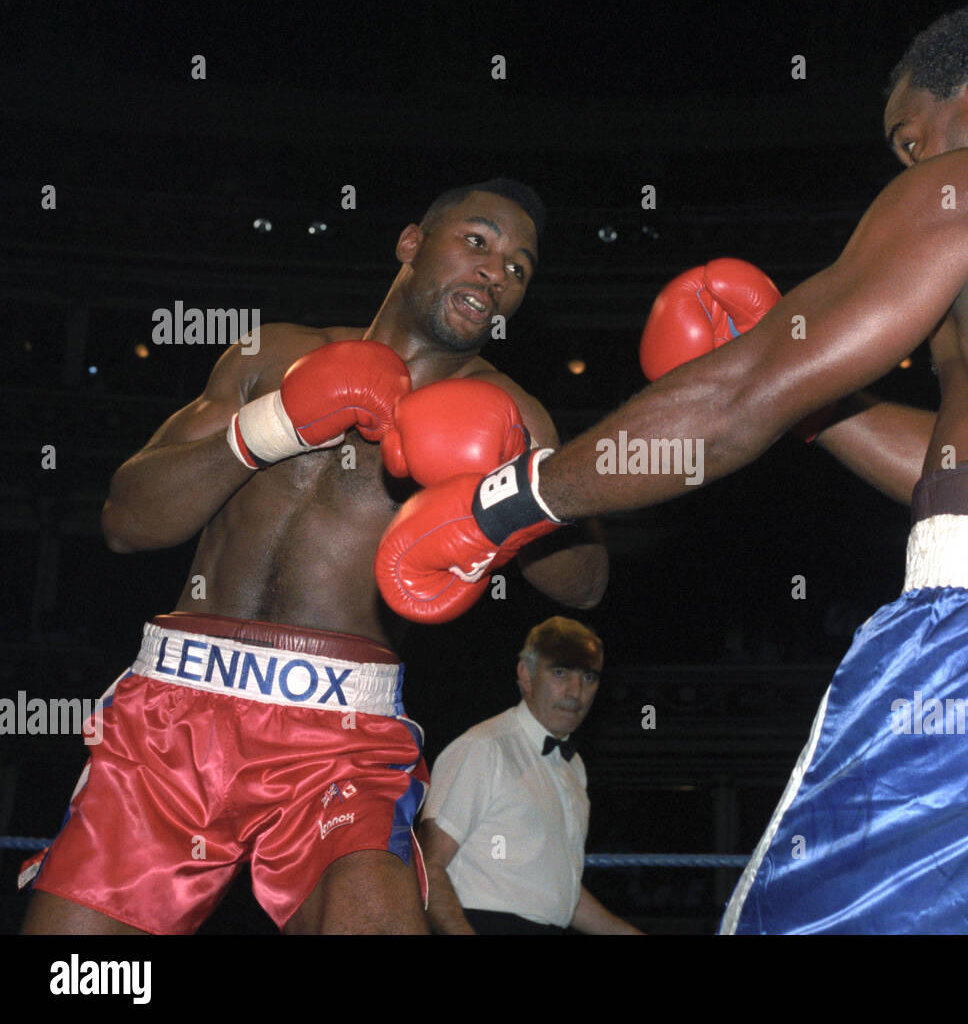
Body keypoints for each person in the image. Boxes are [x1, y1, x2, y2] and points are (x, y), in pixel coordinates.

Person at [375, 8, 968, 934]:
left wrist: (507, 504)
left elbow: (739, 402)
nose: (912, 167)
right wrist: (816, 416)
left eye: (912, 137)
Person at [20, 178, 609, 935]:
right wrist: (270, 427)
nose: (497, 272)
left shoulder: (514, 415)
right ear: (410, 244)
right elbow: (126, 519)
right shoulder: (272, 354)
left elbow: (586, 582)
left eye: (519, 268)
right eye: (478, 241)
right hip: (173, 711)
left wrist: (506, 501)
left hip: (340, 741)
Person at [418, 616, 641, 934]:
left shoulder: (572, 766)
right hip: (483, 924)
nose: (575, 692)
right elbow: (430, 864)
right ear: (526, 675)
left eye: (588, 677)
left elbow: (558, 896)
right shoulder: (483, 749)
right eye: (560, 673)